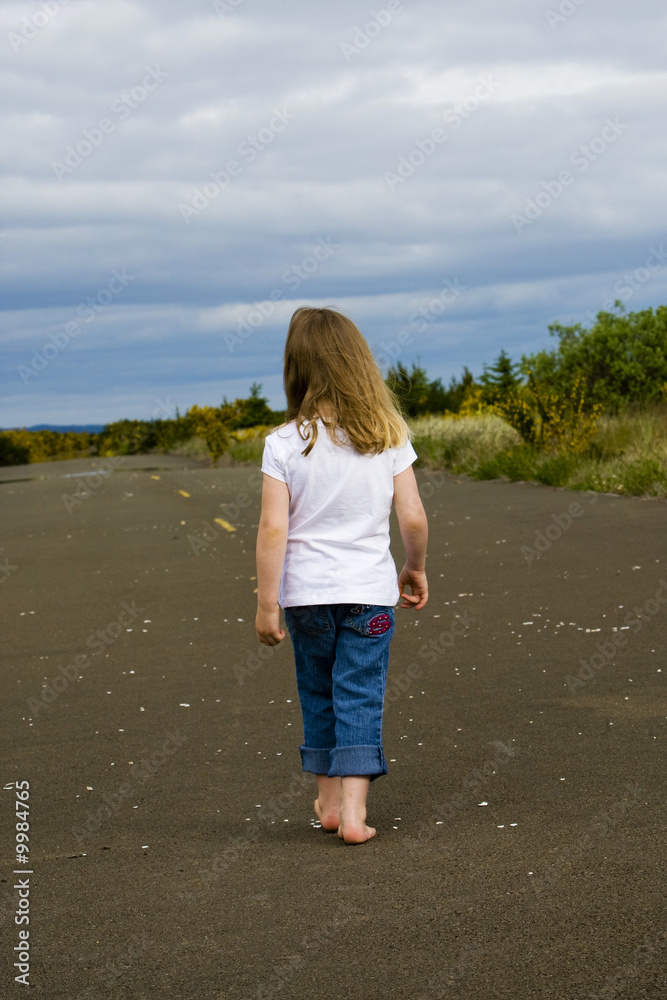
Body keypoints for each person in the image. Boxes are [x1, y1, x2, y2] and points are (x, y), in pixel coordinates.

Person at [255, 306, 428, 844]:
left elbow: (272, 531)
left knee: (318, 690)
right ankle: (354, 816)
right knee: (359, 692)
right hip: (370, 596)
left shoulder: (283, 443)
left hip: (306, 598)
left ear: (296, 367)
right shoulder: (387, 435)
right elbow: (414, 517)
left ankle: (327, 803)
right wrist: (414, 567)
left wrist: (267, 603)